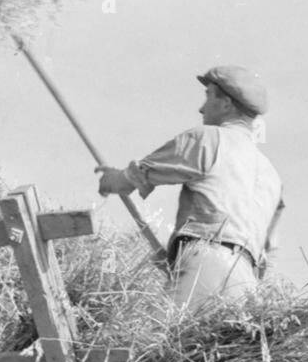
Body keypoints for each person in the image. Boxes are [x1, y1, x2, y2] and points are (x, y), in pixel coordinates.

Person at [97, 66, 285, 308]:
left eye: (208, 96)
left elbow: (138, 176)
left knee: (161, 340)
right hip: (245, 284)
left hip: (206, 259)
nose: (201, 108)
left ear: (226, 103)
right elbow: (269, 252)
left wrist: (113, 179)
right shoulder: (272, 176)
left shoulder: (209, 139)